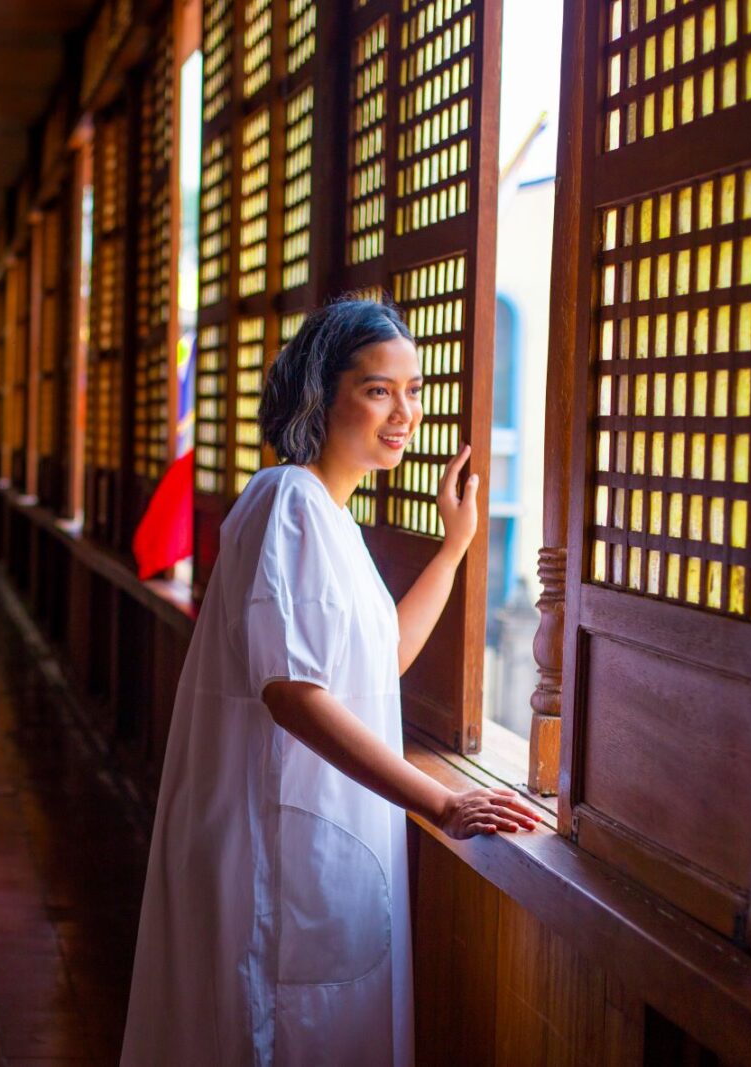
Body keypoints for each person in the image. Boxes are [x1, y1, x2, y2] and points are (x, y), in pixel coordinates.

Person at [121, 298, 540, 1066]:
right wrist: (443, 801)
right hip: (284, 845)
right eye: (379, 389)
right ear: (321, 393)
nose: (404, 412)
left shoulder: (325, 514)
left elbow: (381, 661)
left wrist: (454, 548)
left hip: (318, 839)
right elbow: (293, 693)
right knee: (273, 1036)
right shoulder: (289, 503)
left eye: (413, 390)